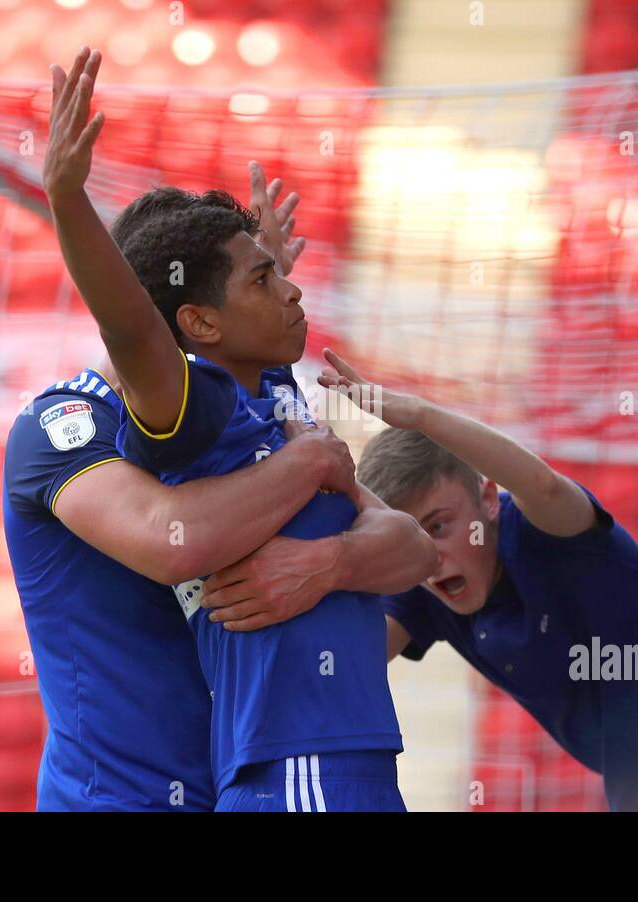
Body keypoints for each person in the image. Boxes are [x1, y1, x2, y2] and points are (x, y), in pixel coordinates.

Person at [37, 47, 437, 811]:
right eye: (264, 281)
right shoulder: (196, 415)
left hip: (346, 763)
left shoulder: (279, 407)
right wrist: (68, 204)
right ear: (199, 322)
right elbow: (136, 328)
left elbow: (413, 552)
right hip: (294, 770)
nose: (292, 292)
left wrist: (332, 559)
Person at [319, 348, 638, 812]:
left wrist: (420, 415)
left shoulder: (547, 530)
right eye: (412, 534)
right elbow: (345, 657)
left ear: (488, 500)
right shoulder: (424, 587)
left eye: (439, 526)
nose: (429, 556)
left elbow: (539, 481)